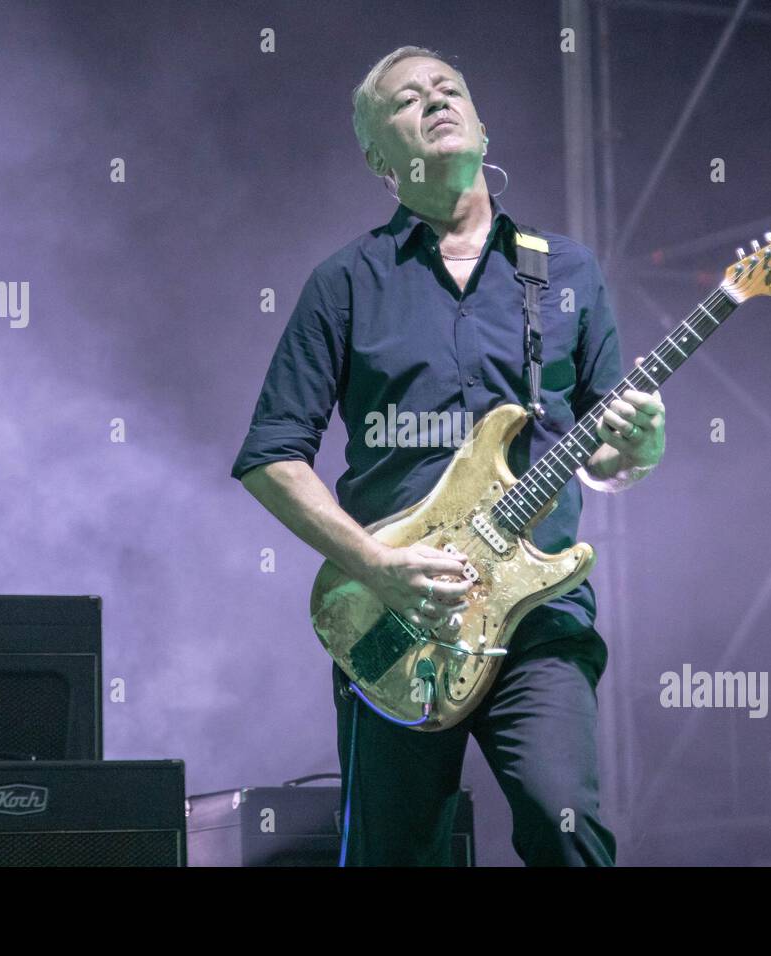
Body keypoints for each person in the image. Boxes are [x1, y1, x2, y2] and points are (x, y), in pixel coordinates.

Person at [230, 45, 666, 866]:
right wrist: (377, 565)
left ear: (480, 122)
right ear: (377, 158)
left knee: (563, 819)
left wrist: (643, 445)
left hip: (537, 619)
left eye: (450, 89)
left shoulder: (563, 270)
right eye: (406, 100)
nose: (435, 101)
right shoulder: (347, 283)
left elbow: (610, 457)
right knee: (395, 856)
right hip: (395, 619)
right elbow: (272, 457)